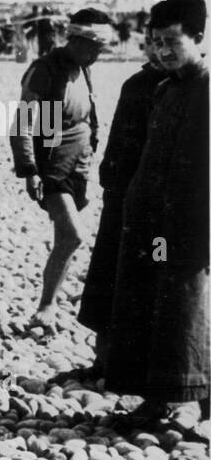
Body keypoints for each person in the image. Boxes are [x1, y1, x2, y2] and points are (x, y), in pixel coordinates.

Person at [106, 0, 208, 438]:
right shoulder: (166, 89)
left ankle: (191, 403)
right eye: (156, 42)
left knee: (189, 308)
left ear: (199, 37)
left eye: (173, 41)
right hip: (154, 225)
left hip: (192, 227)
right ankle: (158, 396)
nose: (163, 51)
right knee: (154, 304)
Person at [10, 8, 112, 329]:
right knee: (73, 236)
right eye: (94, 47)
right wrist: (29, 170)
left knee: (64, 240)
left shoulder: (82, 69)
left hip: (77, 169)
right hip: (51, 169)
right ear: (78, 40)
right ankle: (46, 305)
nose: (98, 54)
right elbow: (23, 124)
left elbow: (84, 118)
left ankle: (49, 305)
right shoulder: (46, 70)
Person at [76, 25, 166, 376]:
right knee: (108, 276)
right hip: (118, 201)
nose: (157, 50)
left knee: (157, 278)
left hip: (159, 211)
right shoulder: (135, 85)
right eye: (153, 42)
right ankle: (105, 360)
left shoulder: (185, 89)